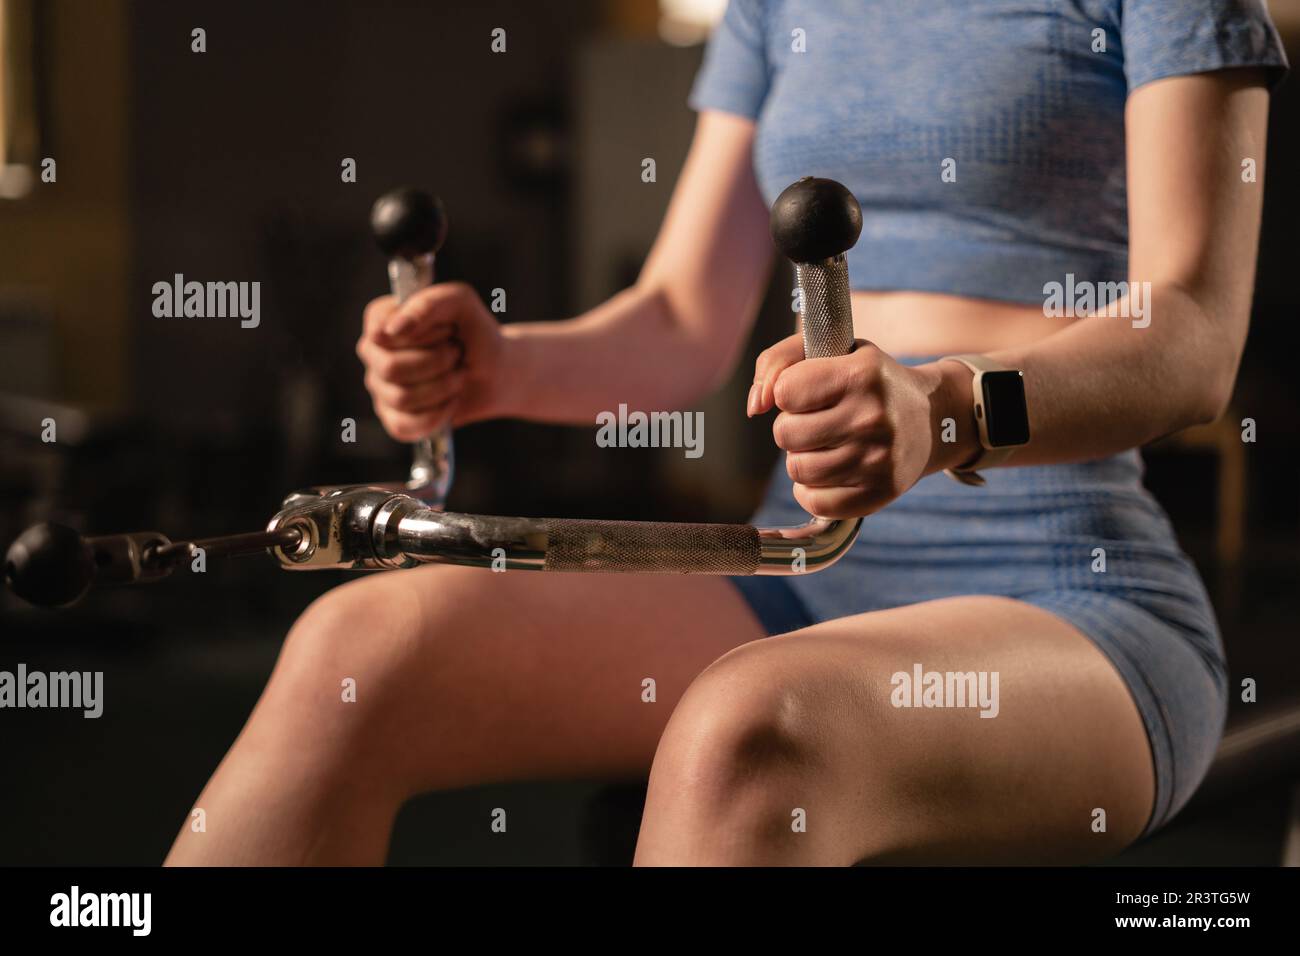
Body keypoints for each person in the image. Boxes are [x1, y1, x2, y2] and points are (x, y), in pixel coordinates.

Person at [166, 0, 1288, 865]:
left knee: (748, 726)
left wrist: (943, 409)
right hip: (800, 570)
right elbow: (680, 323)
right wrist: (494, 364)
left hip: (1072, 596)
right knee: (358, 648)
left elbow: (1189, 337)